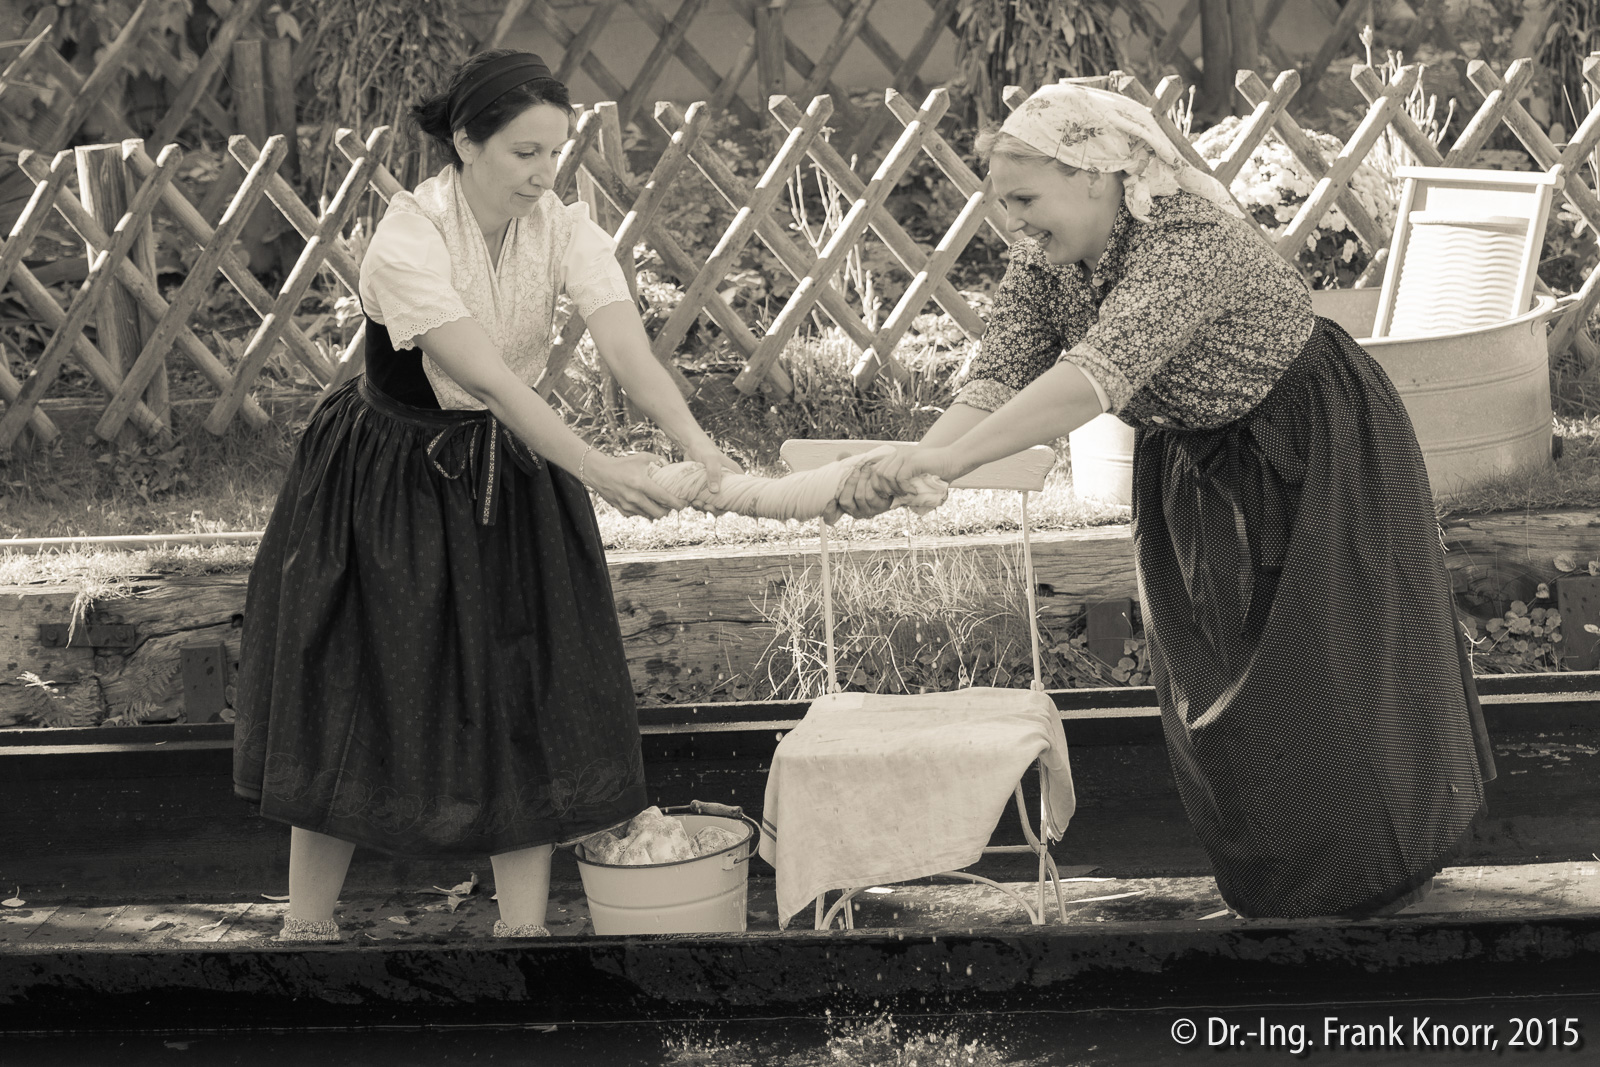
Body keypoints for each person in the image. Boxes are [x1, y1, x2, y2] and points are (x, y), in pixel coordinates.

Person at [849, 82, 1495, 920]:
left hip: (1312, 445)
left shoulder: (1187, 244)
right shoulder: (1045, 263)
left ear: (1095, 174)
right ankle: (1283, 896)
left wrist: (946, 461)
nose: (1012, 219)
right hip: (1194, 463)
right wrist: (920, 462)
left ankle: (1386, 888)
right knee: (1217, 688)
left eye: (1024, 198)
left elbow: (1087, 382)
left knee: (1336, 676)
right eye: (1003, 202)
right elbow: (998, 377)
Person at [234, 50, 739, 940]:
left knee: (525, 679)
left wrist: (700, 448)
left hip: (516, 469)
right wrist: (603, 469)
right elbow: (495, 383)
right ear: (465, 143)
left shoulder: (563, 226)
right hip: (387, 481)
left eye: (555, 152)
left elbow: (625, 347)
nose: (544, 174)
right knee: (351, 680)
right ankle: (306, 929)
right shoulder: (408, 237)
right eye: (524, 153)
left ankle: (524, 933)